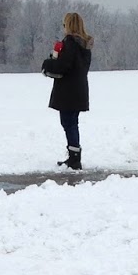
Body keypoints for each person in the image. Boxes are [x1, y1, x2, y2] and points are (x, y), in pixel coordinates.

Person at [41, 11, 93, 171]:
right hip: (79, 89)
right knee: (72, 123)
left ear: (68, 25)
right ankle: (74, 155)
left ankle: (74, 159)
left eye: (64, 24)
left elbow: (64, 66)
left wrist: (48, 63)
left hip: (68, 91)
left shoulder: (70, 43)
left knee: (68, 123)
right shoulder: (84, 45)